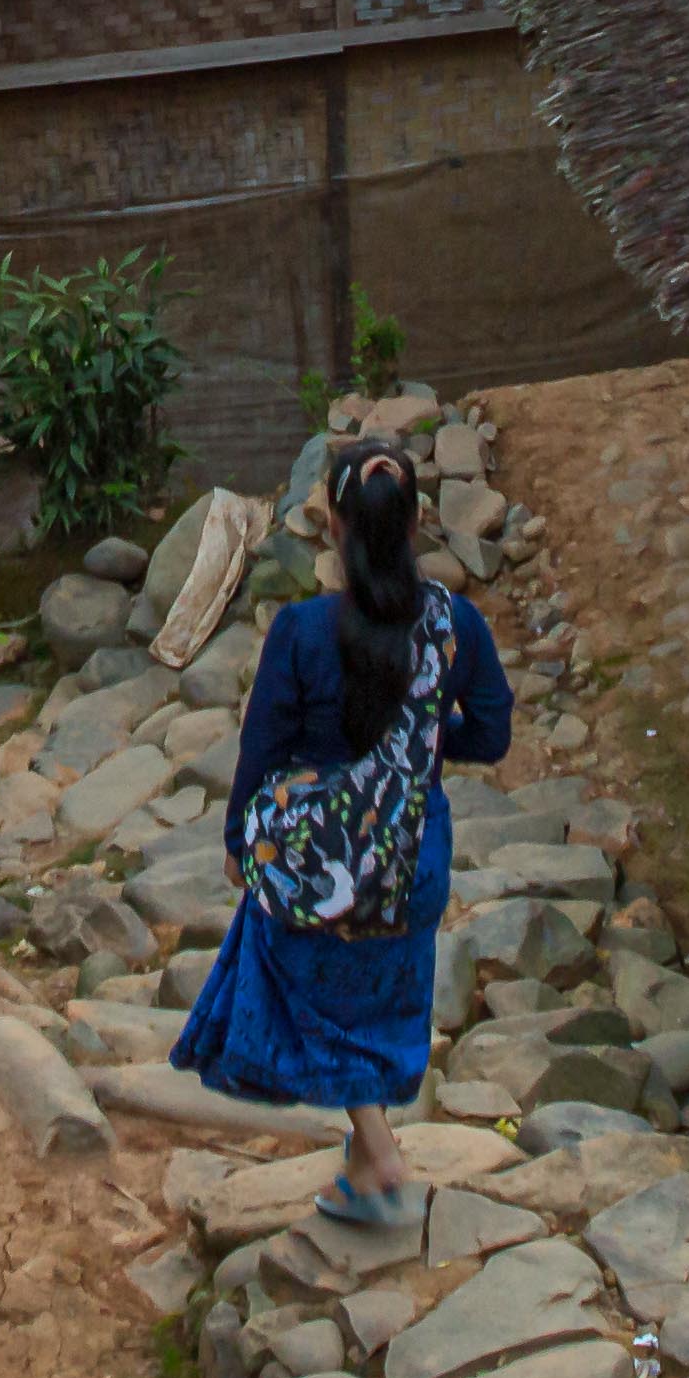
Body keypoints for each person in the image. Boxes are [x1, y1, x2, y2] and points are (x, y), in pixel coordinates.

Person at [168, 441, 513, 1227]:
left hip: (320, 860)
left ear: (333, 529)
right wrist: (423, 745)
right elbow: (490, 737)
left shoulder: (300, 630)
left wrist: (236, 841)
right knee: (385, 1006)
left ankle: (377, 1145)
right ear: (420, 522)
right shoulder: (458, 627)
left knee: (289, 984)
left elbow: (263, 746)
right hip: (409, 860)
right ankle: (363, 1180)